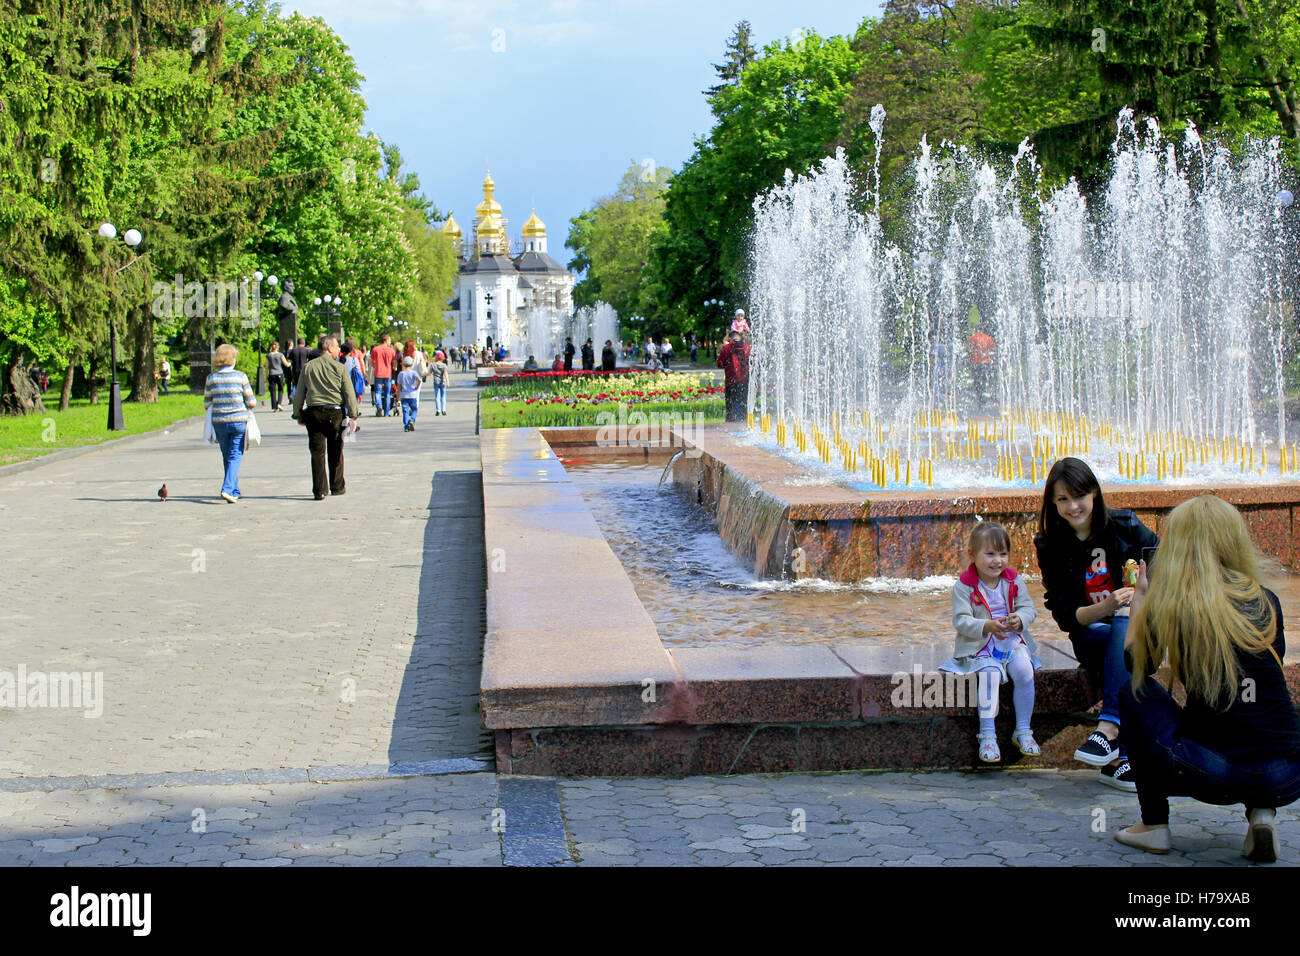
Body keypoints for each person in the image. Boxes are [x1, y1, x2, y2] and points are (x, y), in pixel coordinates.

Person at [1114, 495, 1300, 860]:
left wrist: (1140, 602)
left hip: (1214, 773)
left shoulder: (1174, 603)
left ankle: (1153, 826)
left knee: (1133, 692)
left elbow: (1138, 664)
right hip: (1288, 774)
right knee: (1261, 717)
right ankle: (1261, 813)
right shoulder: (1266, 599)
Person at [1034, 457, 1158, 791]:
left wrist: (1141, 593)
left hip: (1141, 631)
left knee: (1126, 623)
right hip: (1090, 634)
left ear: (1094, 493)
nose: (1073, 506)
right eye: (1062, 499)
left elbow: (1166, 564)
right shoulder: (1049, 546)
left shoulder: (1126, 526)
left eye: (1079, 496)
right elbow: (1064, 614)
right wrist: (1106, 605)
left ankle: (1109, 730)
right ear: (1052, 503)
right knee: (1121, 641)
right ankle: (1123, 752)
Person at [941, 521, 1041, 763]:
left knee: (1025, 672)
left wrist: (1020, 620)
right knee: (989, 676)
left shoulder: (1014, 580)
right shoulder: (965, 586)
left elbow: (1029, 608)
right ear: (972, 556)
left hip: (1012, 643)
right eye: (990, 554)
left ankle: (1024, 730)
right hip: (982, 646)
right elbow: (961, 620)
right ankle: (987, 734)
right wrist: (985, 626)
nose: (998, 560)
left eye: (1003, 553)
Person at [292, 336, 361, 499]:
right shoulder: (340, 368)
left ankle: (320, 490)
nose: (339, 350)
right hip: (335, 413)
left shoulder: (308, 367)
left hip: (313, 413)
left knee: (317, 452)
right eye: (337, 347)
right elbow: (349, 393)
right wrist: (353, 415)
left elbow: (300, 392)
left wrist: (298, 414)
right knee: (336, 450)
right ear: (329, 348)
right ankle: (337, 486)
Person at [203, 343, 257, 504]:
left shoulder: (211, 378)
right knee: (235, 455)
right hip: (238, 422)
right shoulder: (240, 376)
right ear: (232, 359)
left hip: (219, 422)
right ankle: (227, 489)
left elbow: (207, 403)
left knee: (227, 455)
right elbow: (252, 401)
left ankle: (234, 489)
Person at [717, 330, 751, 423]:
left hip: (730, 382)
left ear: (729, 339)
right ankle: (744, 425)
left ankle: (730, 426)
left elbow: (720, 364)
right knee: (744, 405)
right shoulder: (748, 348)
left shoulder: (726, 348)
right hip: (744, 381)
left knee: (730, 407)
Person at [967, 321, 996, 405]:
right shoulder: (988, 338)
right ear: (983, 330)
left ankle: (979, 395)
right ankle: (983, 393)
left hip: (975, 362)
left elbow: (967, 347)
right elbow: (993, 349)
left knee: (976, 379)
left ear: (976, 330)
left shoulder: (974, 337)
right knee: (984, 378)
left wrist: (971, 353)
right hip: (986, 361)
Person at [370, 334, 398, 417]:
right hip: (387, 374)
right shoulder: (391, 350)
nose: (390, 342)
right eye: (389, 340)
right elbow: (395, 361)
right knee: (387, 394)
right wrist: (394, 367)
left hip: (378, 373)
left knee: (378, 391)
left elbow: (371, 361)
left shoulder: (375, 349)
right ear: (386, 340)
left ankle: (379, 405)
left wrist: (375, 366)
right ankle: (386, 413)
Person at [397, 355, 423, 431]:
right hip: (413, 394)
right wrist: (417, 387)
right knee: (414, 409)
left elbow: (399, 386)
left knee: (405, 411)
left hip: (404, 395)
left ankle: (406, 426)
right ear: (412, 364)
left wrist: (398, 396)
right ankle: (412, 419)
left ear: (403, 364)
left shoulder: (401, 374)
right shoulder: (414, 373)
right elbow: (419, 380)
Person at [265, 342, 287, 410]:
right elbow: (286, 364)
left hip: (271, 374)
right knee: (280, 389)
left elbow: (266, 366)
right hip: (279, 373)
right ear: (278, 347)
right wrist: (290, 363)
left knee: (273, 391)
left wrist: (266, 375)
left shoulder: (268, 355)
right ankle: (279, 403)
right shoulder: (280, 355)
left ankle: (274, 406)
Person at [428, 350, 448, 416]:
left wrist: (424, 374)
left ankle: (438, 410)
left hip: (436, 381)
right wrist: (448, 381)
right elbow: (445, 374)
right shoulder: (444, 365)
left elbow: (429, 373)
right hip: (443, 382)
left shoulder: (433, 365)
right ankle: (444, 410)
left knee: (437, 396)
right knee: (443, 396)